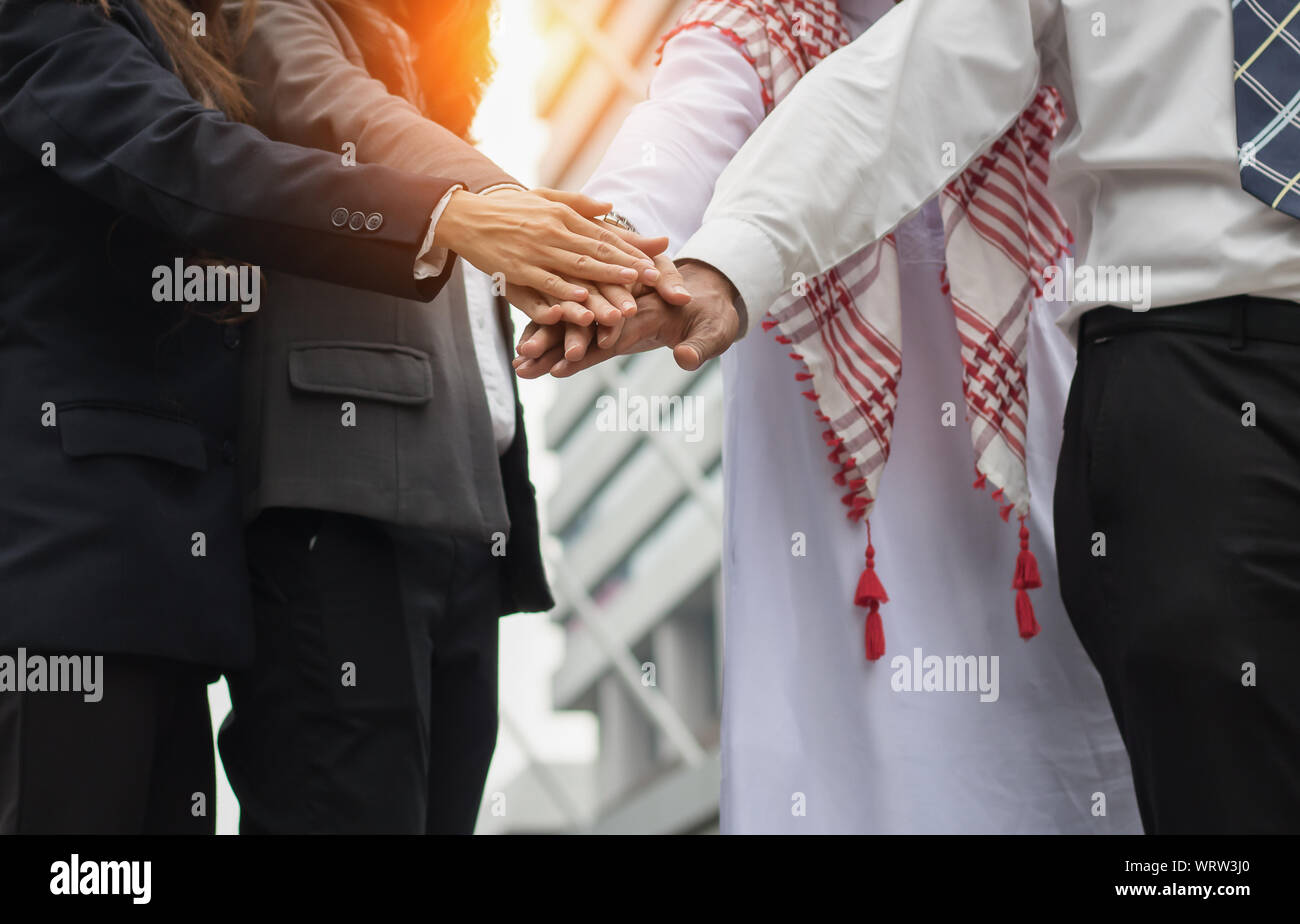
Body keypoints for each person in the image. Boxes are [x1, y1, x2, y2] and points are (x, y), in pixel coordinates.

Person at [535, 0, 1300, 833]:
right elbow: (676, 145)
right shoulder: (762, 33)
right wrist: (604, 258)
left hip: (1043, 491)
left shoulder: (1041, 81)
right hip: (896, 541)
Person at [0, 0, 658, 834]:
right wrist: (453, 212)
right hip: (70, 554)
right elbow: (190, 160)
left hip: (169, 571)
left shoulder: (183, 40)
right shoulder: (65, 18)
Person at [218, 0, 678, 835]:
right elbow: (335, 104)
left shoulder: (436, 82)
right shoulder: (274, 17)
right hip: (341, 504)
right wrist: (505, 203)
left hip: (467, 515)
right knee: (343, 804)